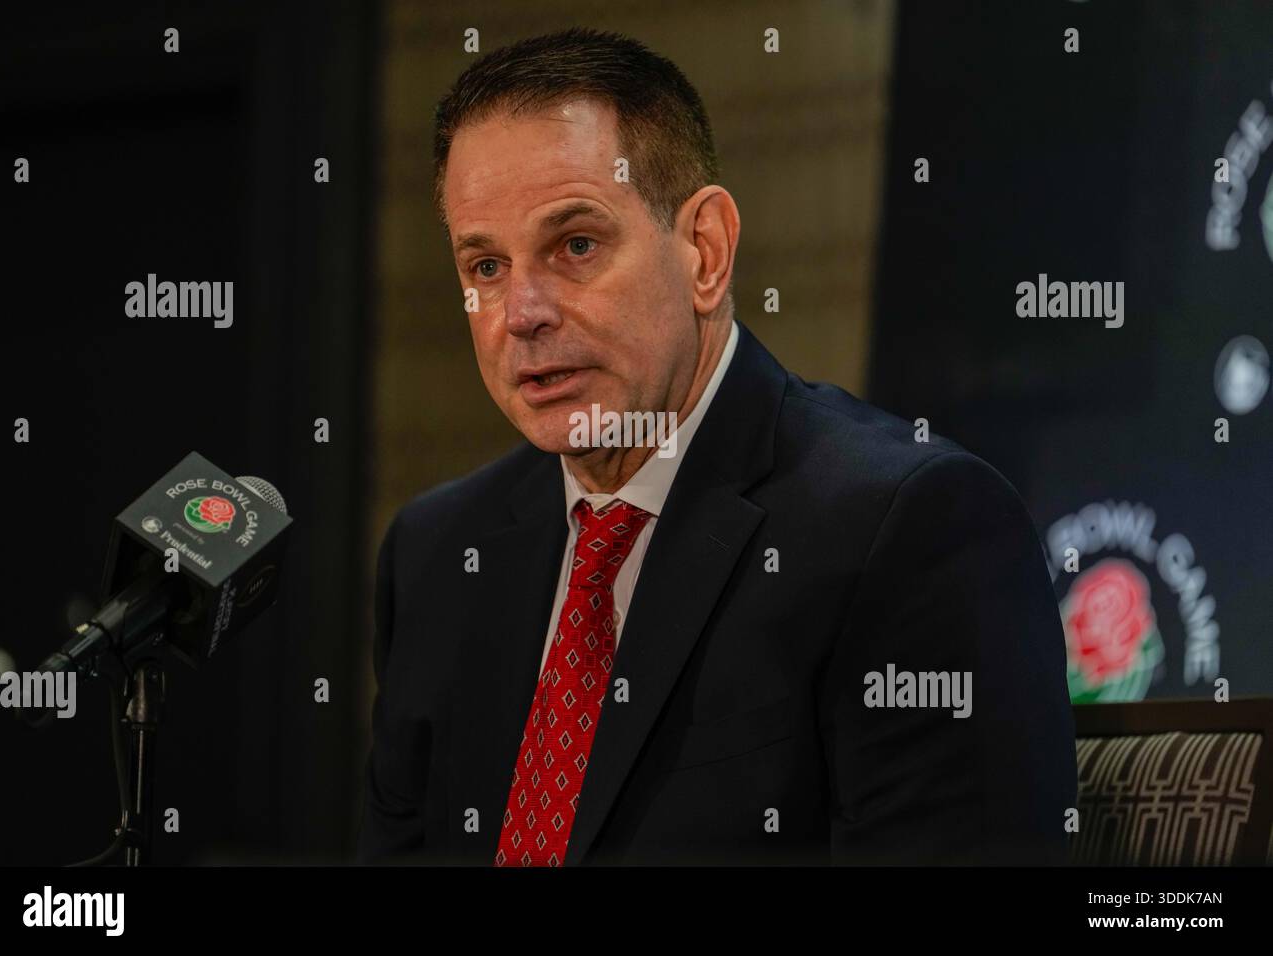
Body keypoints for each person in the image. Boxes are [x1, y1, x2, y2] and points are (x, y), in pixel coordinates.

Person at [357, 27, 1075, 866]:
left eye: (575, 246)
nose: (522, 313)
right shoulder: (438, 553)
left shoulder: (910, 526)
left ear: (705, 250)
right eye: (484, 267)